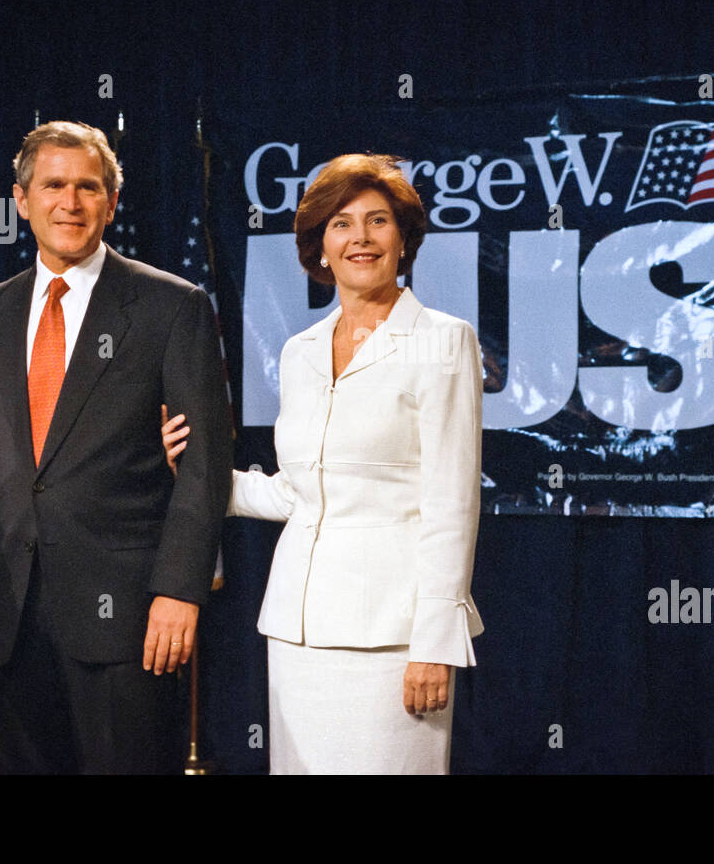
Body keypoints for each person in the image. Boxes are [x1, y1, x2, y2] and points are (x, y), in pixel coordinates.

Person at [0, 121, 233, 774]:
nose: (71, 202)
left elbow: (203, 468)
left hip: (130, 617)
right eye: (53, 186)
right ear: (21, 200)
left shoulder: (173, 306)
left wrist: (180, 589)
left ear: (112, 203)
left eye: (88, 187)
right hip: (10, 611)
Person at [163, 153, 483, 774]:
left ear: (404, 239)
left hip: (395, 637)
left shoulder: (443, 340)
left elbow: (453, 504)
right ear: (320, 247)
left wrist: (434, 642)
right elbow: (297, 494)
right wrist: (198, 474)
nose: (360, 238)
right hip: (297, 629)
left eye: (378, 221)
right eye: (341, 224)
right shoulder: (300, 351)